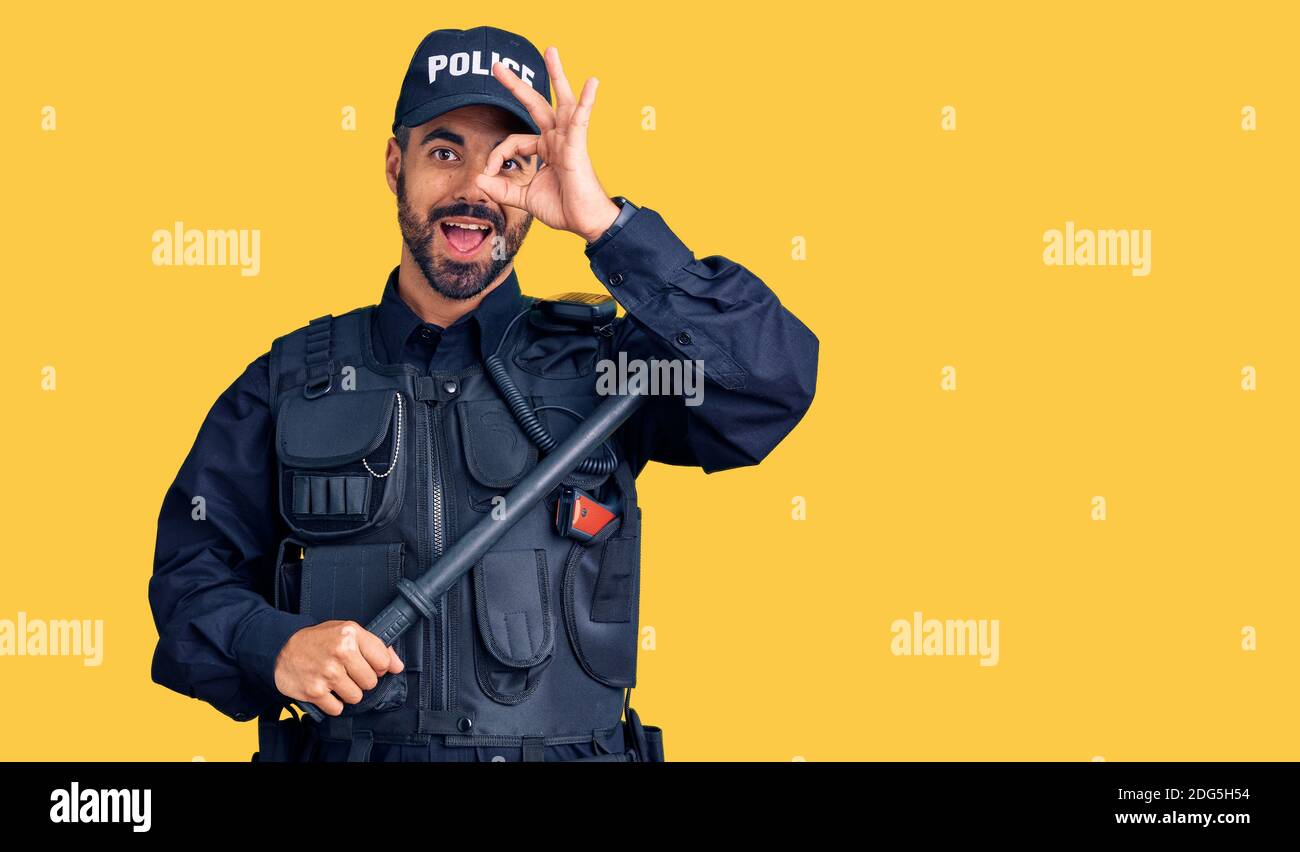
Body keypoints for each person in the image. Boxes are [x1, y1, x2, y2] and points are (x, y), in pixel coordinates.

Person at [148, 25, 819, 762]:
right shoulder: (287, 381)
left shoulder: (609, 367)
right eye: (445, 153)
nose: (475, 190)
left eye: (512, 161)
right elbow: (188, 583)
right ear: (395, 164)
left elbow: (772, 379)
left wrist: (607, 225)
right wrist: (274, 647)